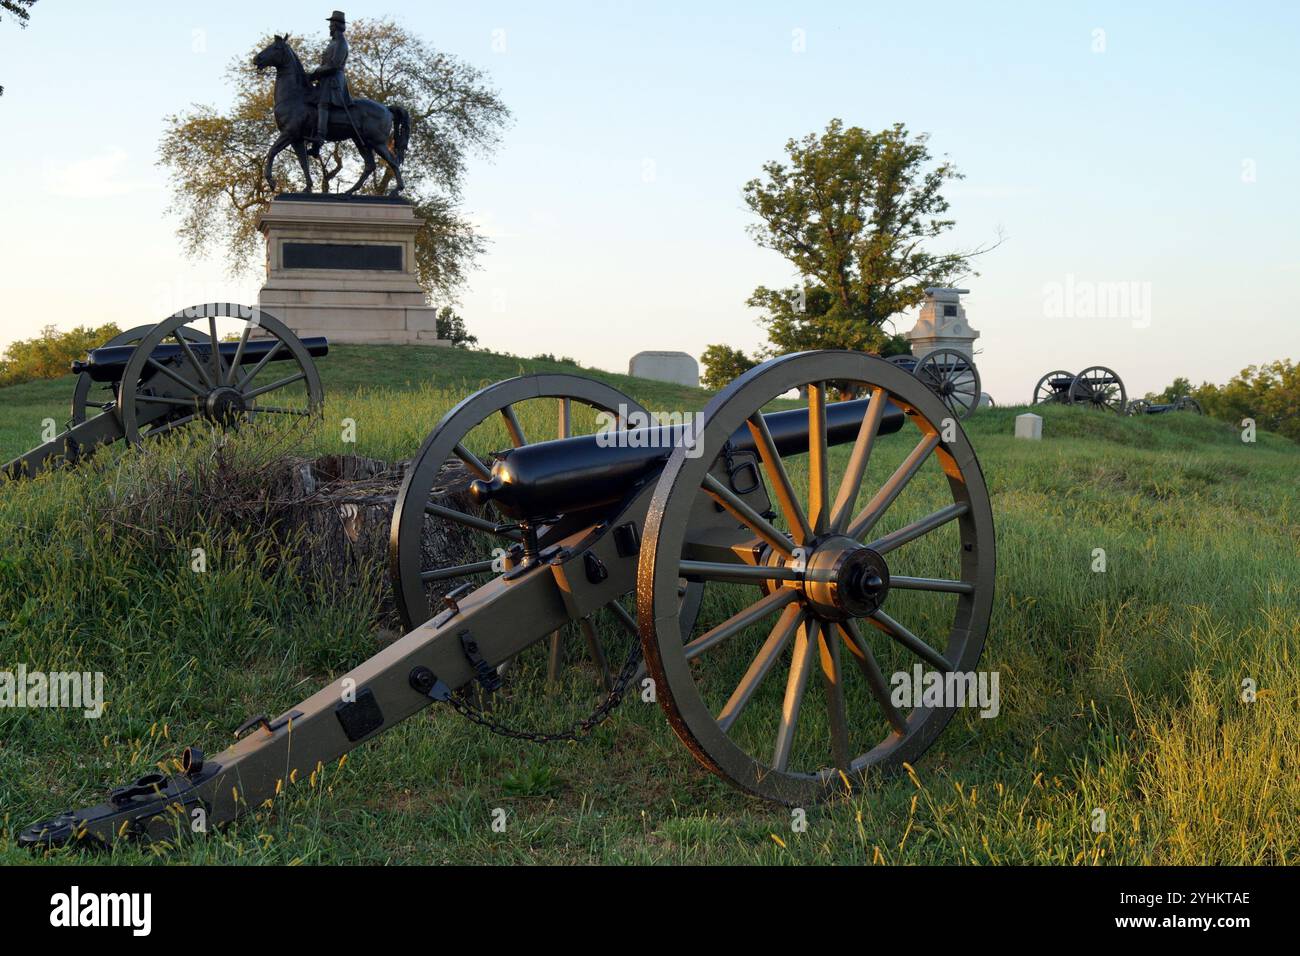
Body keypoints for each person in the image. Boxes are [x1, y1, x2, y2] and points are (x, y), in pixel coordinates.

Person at [308, 11, 351, 150]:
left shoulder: (341, 43)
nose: (330, 27)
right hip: (326, 78)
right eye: (330, 24)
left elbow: (334, 65)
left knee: (323, 104)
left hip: (334, 80)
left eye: (332, 25)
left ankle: (319, 138)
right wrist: (313, 76)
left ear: (337, 26)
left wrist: (315, 72)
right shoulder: (333, 42)